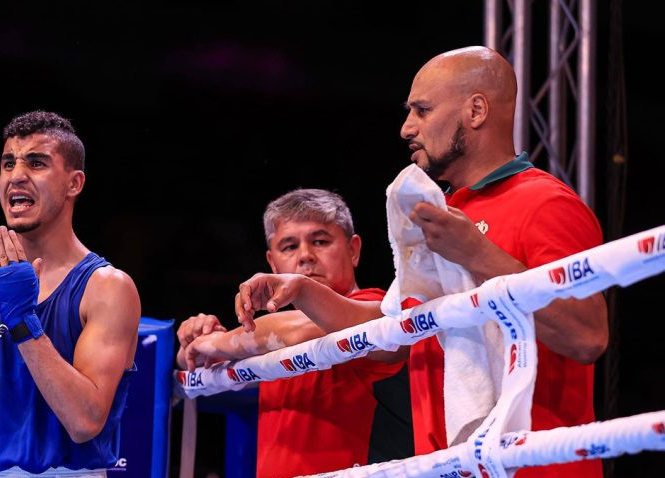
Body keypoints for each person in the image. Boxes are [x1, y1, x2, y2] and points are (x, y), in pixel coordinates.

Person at [235, 47, 607, 478]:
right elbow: (393, 333)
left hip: (532, 466)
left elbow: (587, 336)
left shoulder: (546, 204)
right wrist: (302, 290)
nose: (407, 128)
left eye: (422, 110)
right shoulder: (442, 211)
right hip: (446, 465)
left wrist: (476, 253)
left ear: (477, 110)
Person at [0, 111, 141, 477]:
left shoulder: (106, 287)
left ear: (74, 183)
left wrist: (21, 319)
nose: (16, 175)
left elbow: (84, 421)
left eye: (36, 162)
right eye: (8, 163)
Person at [179, 189, 415, 478]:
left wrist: (216, 341)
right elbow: (197, 360)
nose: (305, 256)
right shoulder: (260, 337)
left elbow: (296, 332)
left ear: (353, 250)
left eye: (320, 241)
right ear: (272, 263)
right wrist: (194, 337)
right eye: (289, 246)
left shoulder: (373, 307)